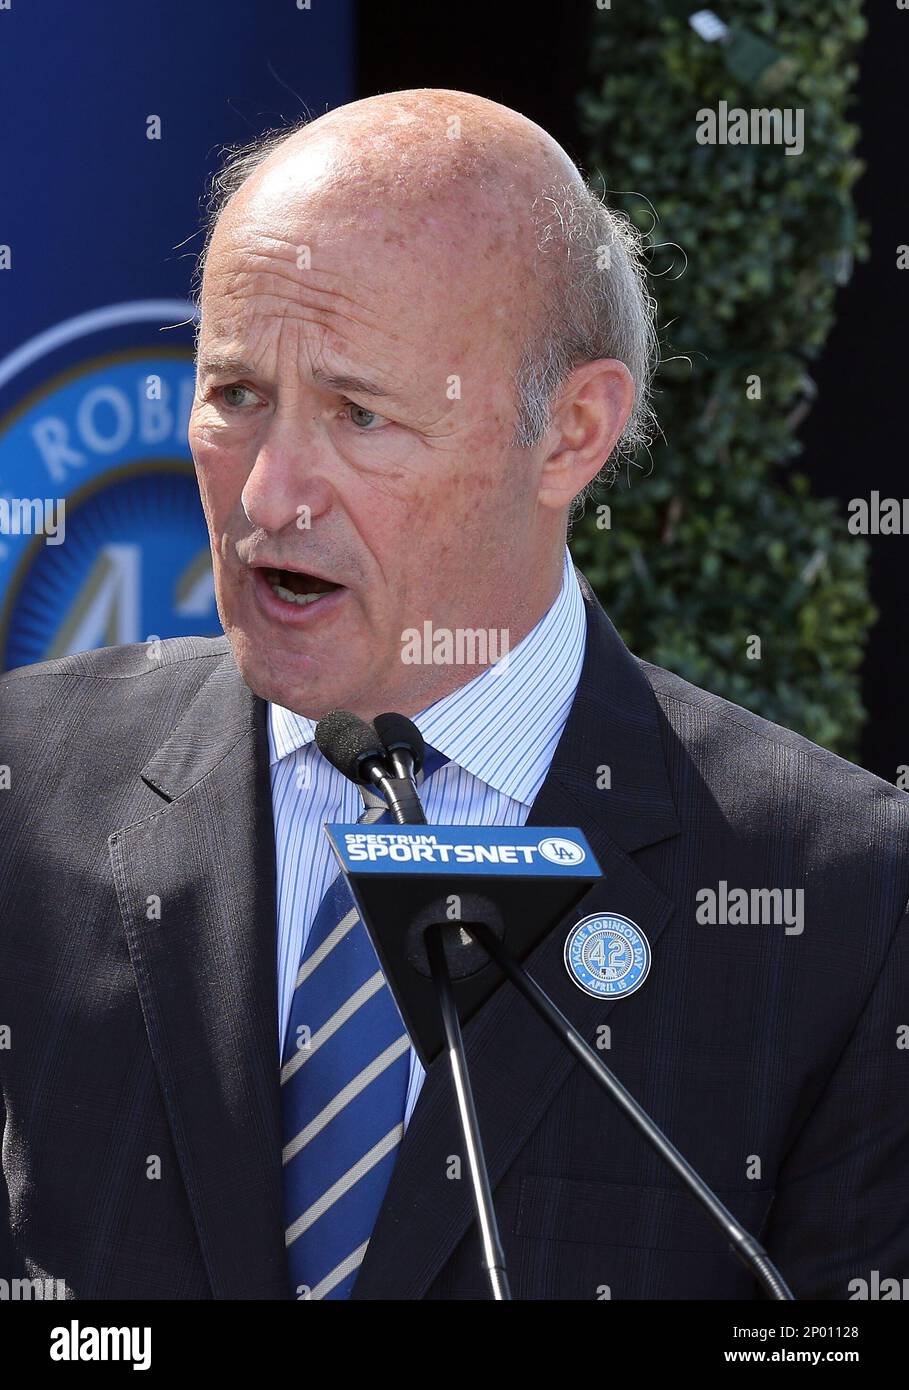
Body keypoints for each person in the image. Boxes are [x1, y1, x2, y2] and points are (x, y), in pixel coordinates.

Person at [0, 88, 906, 1301]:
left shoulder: (836, 895)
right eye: (234, 396)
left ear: (572, 432)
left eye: (359, 412)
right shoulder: (27, 784)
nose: (269, 496)